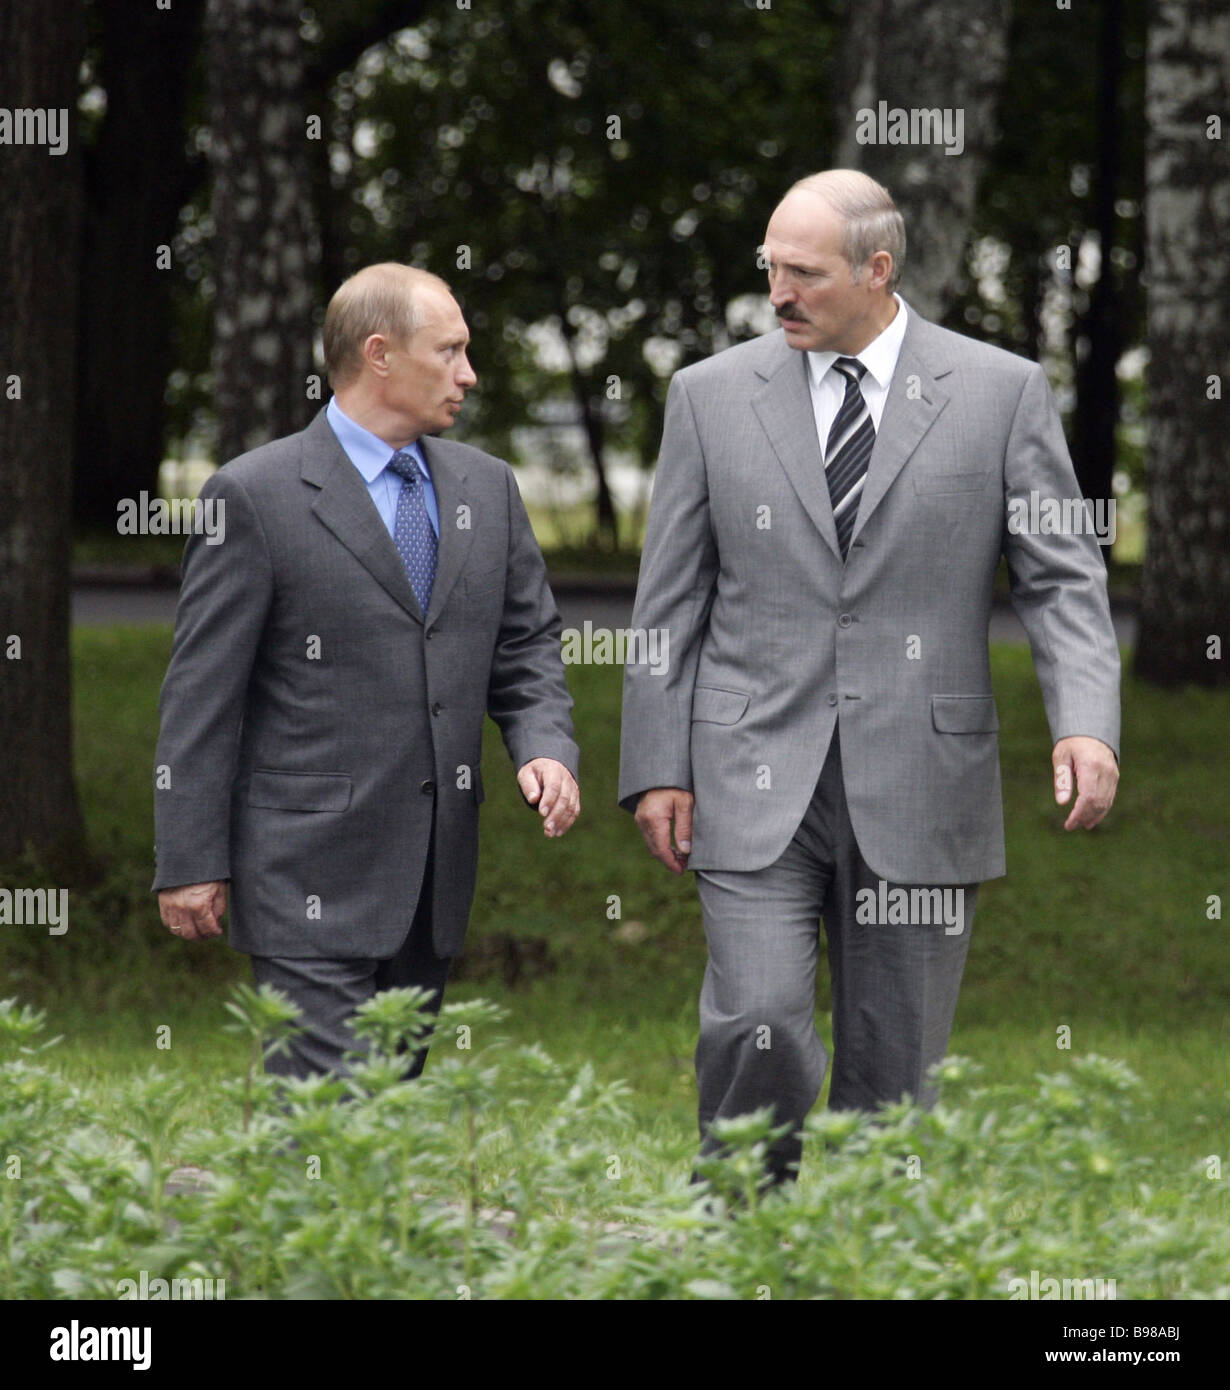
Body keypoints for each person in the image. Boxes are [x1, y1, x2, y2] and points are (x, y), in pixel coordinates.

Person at [619, 170, 1120, 1183]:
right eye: (772, 269)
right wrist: (654, 764)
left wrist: (1088, 721)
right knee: (758, 1018)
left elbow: (1062, 577)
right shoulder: (709, 397)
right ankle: (741, 1231)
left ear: (877, 270)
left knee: (895, 1072)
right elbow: (667, 603)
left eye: (804, 273)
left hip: (925, 774)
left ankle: (865, 1260)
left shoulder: (1001, 391)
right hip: (752, 766)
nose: (781, 292)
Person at [154, 263, 580, 1080]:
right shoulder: (251, 497)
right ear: (379, 355)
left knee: (384, 1129)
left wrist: (545, 746)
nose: (469, 373)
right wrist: (190, 859)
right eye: (449, 351)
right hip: (300, 873)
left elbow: (526, 647)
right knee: (328, 1127)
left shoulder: (487, 490)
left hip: (432, 879)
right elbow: (201, 697)